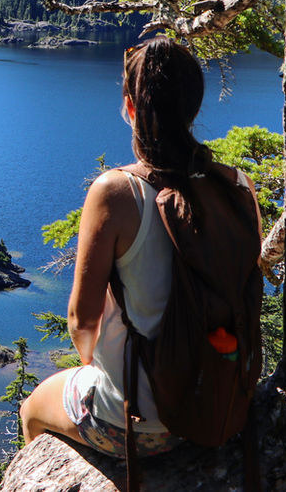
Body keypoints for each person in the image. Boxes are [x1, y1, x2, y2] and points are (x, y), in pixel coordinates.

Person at [18, 36, 260, 456]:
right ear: (193, 108)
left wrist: (95, 364)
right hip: (221, 402)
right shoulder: (239, 187)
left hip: (136, 421)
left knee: (31, 409)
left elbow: (81, 321)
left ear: (131, 107)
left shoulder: (116, 192)